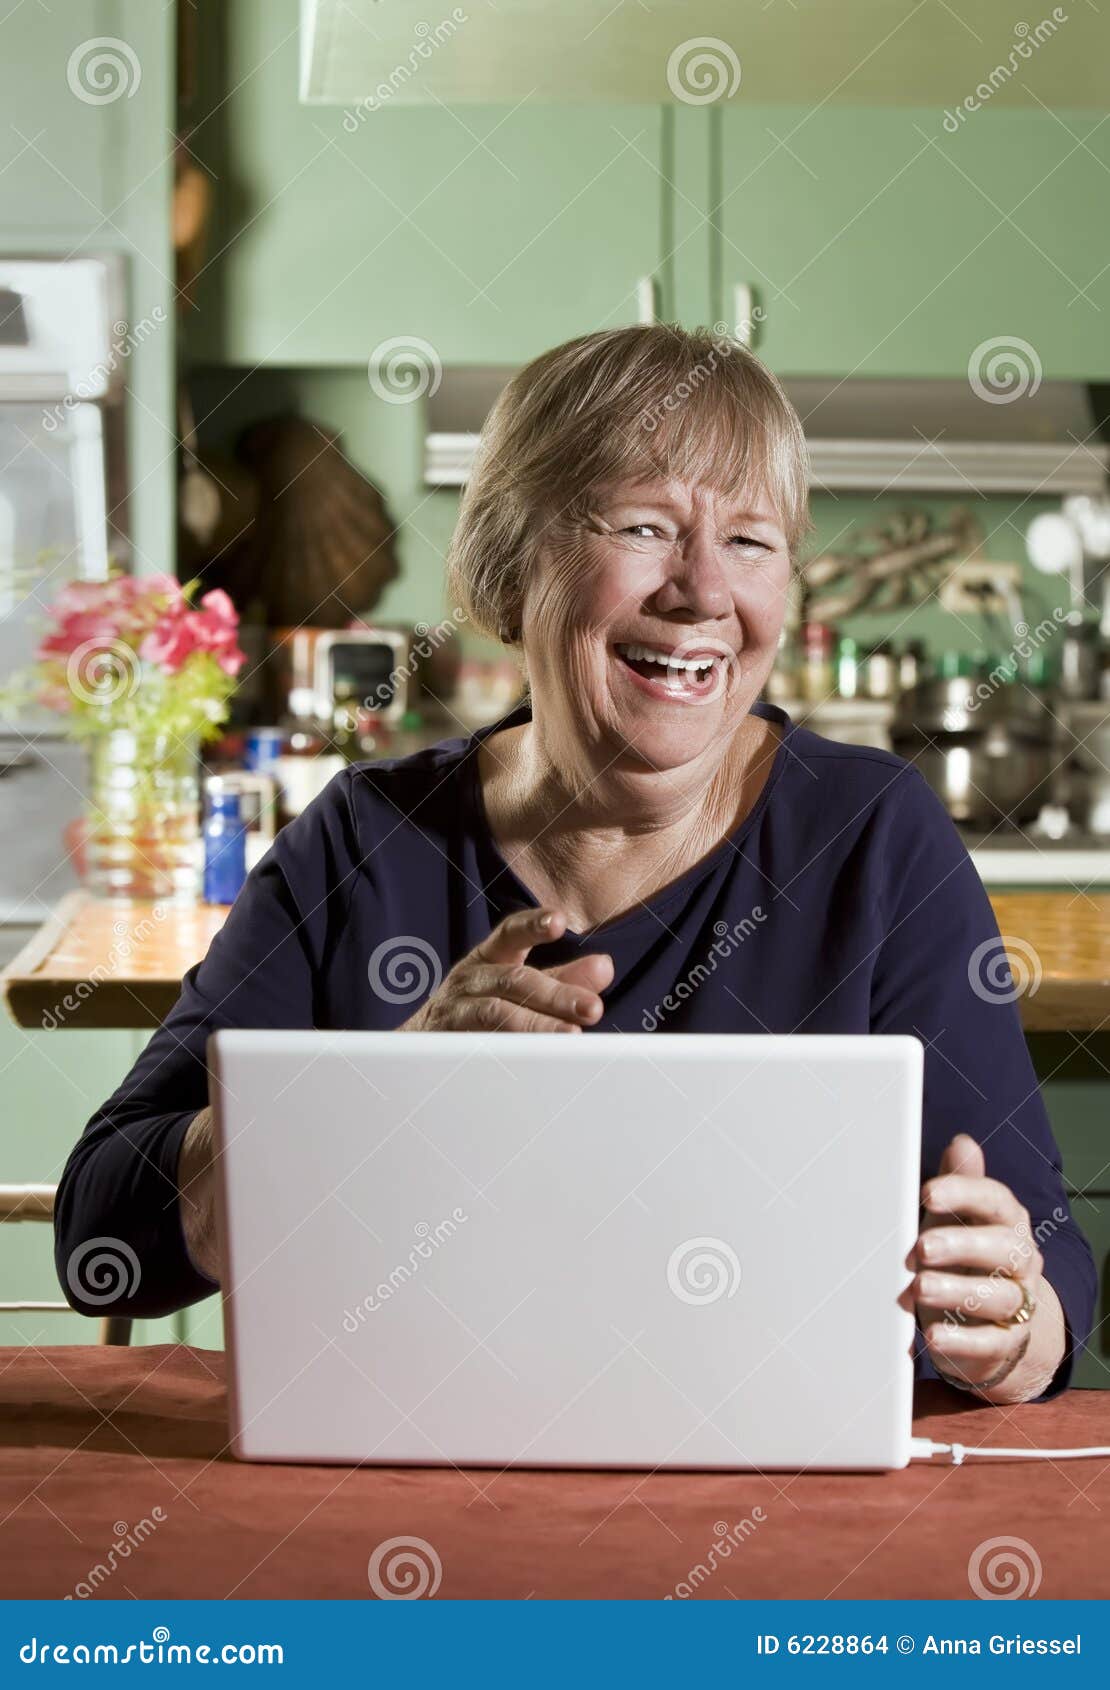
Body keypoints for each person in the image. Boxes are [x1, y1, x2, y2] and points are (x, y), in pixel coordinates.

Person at [56, 324, 1094, 1405]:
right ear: (513, 569)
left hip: (774, 1478)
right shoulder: (365, 842)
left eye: (750, 540)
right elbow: (101, 1235)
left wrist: (1011, 1323)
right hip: (413, 1462)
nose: (702, 591)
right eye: (644, 527)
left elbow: (1045, 1258)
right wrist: (376, 1099)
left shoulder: (873, 837)